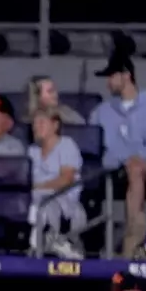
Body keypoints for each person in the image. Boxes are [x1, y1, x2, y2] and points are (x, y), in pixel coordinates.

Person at [90, 50, 146, 256]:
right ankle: (135, 232)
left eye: (111, 76)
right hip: (112, 169)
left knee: (135, 167)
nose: (107, 82)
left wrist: (136, 158)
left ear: (126, 75)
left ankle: (134, 229)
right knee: (131, 165)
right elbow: (95, 148)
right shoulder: (101, 111)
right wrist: (124, 159)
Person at [28, 108, 87, 257]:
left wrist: (36, 187)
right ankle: (41, 242)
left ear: (55, 125)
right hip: (34, 199)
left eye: (41, 122)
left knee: (45, 201)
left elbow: (65, 180)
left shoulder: (67, 145)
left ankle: (53, 241)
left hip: (65, 202)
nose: (36, 127)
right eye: (34, 123)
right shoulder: (32, 151)